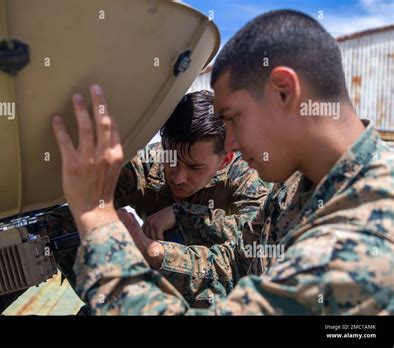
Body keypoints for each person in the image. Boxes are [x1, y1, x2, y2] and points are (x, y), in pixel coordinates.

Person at [52, 10, 394, 315]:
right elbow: (233, 266)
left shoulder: (364, 236)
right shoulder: (299, 188)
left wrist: (96, 223)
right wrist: (154, 253)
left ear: (284, 92)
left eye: (232, 118)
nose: (229, 144)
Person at [48, 90, 270, 308]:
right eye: (171, 159)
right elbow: (81, 207)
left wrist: (182, 215)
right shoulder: (147, 163)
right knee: (58, 225)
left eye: (194, 167)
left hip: (217, 290)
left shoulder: (245, 171)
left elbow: (258, 233)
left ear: (225, 159)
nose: (178, 177)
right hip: (145, 293)